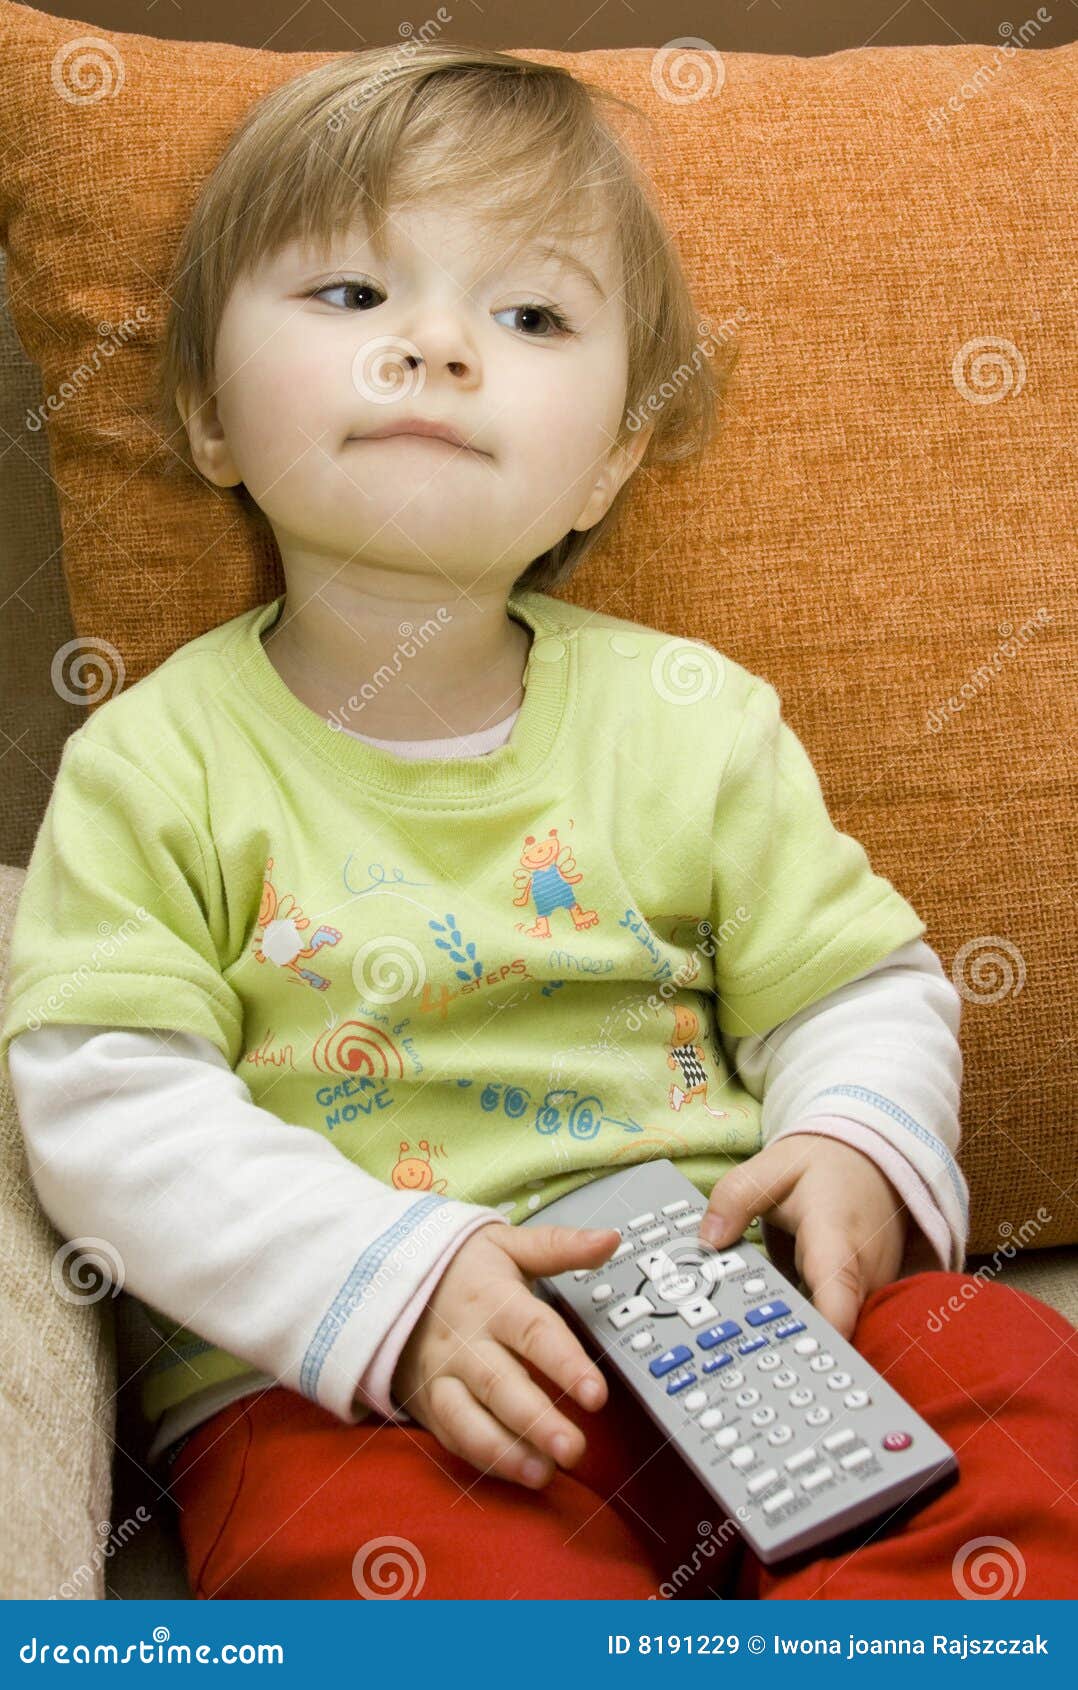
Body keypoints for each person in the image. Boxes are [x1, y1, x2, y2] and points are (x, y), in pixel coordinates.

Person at [2, 43, 1074, 1601]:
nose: (436, 346)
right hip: (358, 1382)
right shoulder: (152, 764)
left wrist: (852, 1135)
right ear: (205, 414)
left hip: (733, 1306)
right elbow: (104, 1100)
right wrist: (392, 1281)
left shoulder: (696, 718)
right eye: (353, 297)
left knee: (995, 1368)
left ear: (612, 458)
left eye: (528, 317)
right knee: (393, 1573)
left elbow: (860, 981)